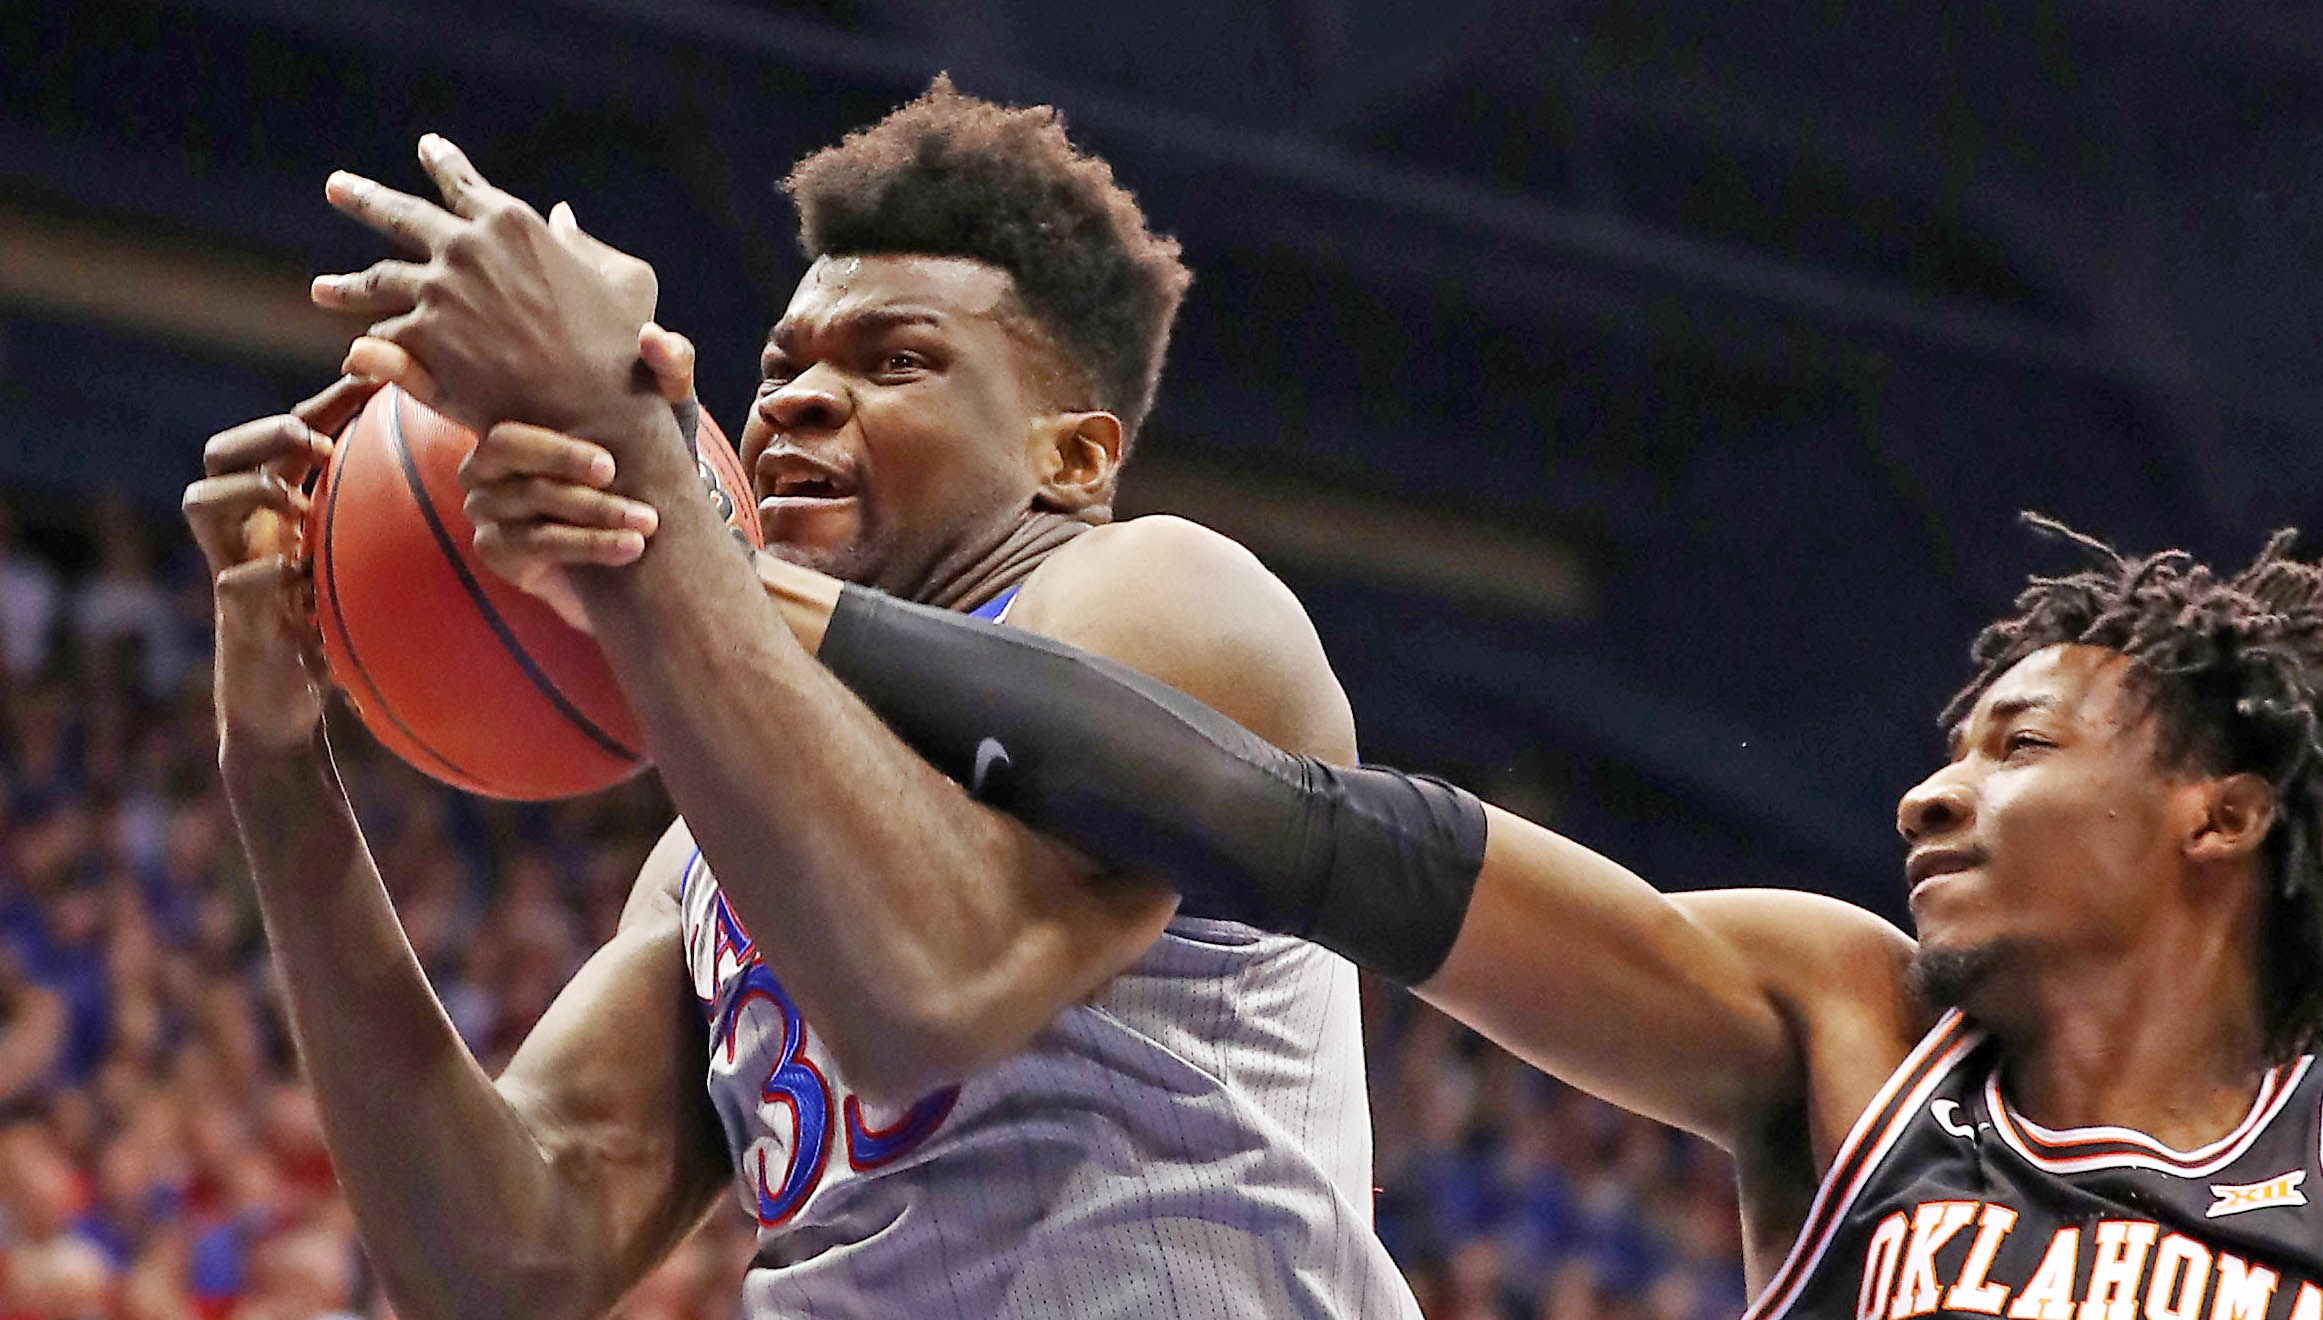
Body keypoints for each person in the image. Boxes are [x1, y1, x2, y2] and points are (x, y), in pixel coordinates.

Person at [468, 360, 2323, 1320]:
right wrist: (741, 593)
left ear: (2220, 814)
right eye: (1944, 751)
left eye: (2015, 749)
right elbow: (1297, 833)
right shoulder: (1850, 1023)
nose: (1927, 796)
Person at [182, 82, 1420, 1319]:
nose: (794, 399)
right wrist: (279, 771)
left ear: (1073, 456)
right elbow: (504, 1270)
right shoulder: (706, 841)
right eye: (781, 367)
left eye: (897, 361)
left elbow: (933, 990)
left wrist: (642, 477)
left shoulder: (1167, 597)